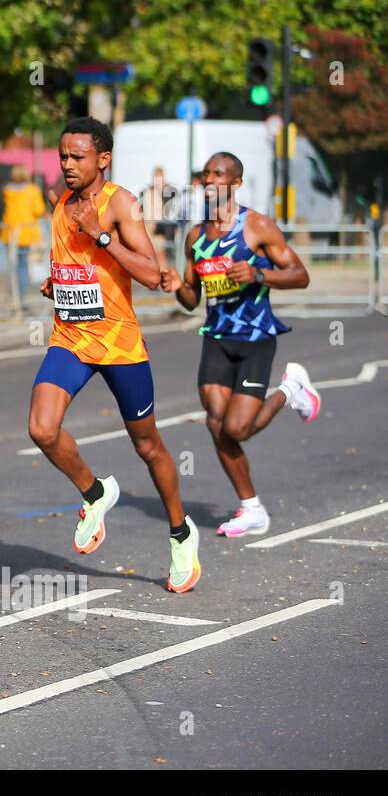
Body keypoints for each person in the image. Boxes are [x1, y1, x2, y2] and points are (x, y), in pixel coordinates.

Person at [29, 117, 201, 594]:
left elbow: (151, 273)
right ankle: (94, 491)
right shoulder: (61, 204)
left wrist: (102, 235)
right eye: (62, 156)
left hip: (120, 342)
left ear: (102, 159)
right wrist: (57, 284)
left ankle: (180, 532)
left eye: (76, 156)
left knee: (147, 444)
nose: (66, 164)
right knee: (41, 428)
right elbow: (79, 269)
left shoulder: (120, 203)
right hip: (71, 338)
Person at [159, 152, 320, 537]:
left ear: (235, 184)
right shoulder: (196, 237)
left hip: (255, 339)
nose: (210, 181)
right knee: (217, 426)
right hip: (216, 339)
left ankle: (290, 389)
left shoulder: (257, 226)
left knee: (237, 428)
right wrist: (174, 286)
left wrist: (258, 273)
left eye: (219, 175)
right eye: (206, 175)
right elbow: (191, 299)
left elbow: (300, 275)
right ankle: (252, 509)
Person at [0, 164, 46, 303]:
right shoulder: (32, 190)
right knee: (23, 267)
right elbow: (39, 210)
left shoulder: (7, 190)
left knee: (13, 266)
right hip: (26, 233)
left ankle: (14, 295)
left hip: (9, 233)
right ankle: (19, 298)